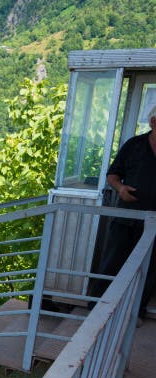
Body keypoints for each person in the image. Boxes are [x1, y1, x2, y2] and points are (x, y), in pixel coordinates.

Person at [92, 103, 156, 315]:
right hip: (126, 219)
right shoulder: (134, 145)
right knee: (112, 264)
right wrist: (120, 189)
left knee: (149, 270)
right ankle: (97, 309)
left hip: (154, 224)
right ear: (153, 122)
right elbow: (112, 175)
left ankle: (136, 312)